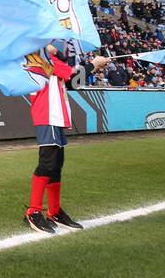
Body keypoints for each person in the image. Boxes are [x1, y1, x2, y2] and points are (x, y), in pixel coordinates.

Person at [22, 44, 110, 233]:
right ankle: (33, 211)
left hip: (55, 115)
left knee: (56, 165)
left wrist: (94, 67)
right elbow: (73, 76)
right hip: (48, 113)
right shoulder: (42, 57)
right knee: (48, 163)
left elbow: (73, 83)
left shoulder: (48, 59)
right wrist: (93, 63)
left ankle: (54, 211)